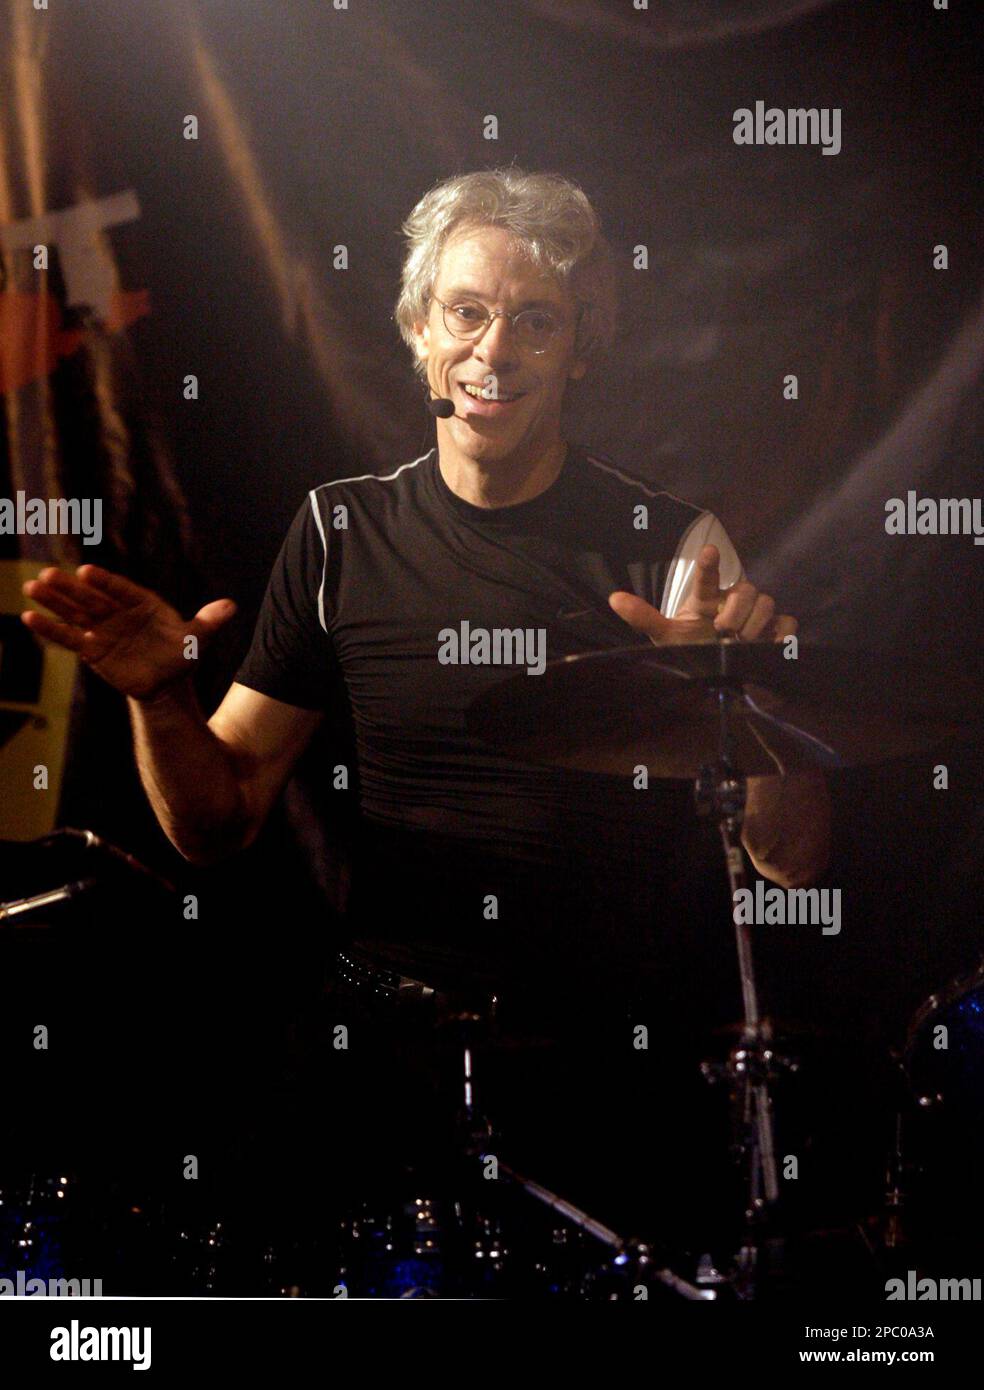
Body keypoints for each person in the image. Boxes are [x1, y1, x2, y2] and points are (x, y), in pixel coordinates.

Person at [22, 169, 830, 1258]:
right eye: (467, 312)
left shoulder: (672, 544)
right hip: (385, 1045)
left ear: (580, 349)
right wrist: (163, 698)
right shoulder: (340, 532)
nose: (494, 350)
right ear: (417, 330)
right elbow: (218, 821)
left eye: (534, 321)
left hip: (603, 1057)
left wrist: (745, 694)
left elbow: (795, 859)